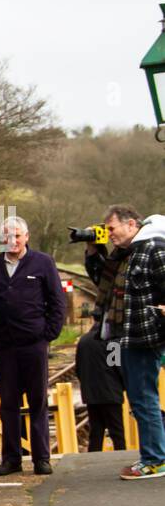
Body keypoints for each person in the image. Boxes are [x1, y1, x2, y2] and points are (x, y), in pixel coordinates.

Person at [0, 215, 66, 476]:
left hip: (34, 344)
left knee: (38, 401)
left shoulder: (43, 263)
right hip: (5, 347)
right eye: (6, 236)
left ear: (26, 237)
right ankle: (11, 459)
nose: (11, 241)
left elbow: (57, 302)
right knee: (9, 403)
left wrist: (48, 334)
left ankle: (41, 459)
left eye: (16, 236)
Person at [87, 205, 165, 479]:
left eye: (111, 228)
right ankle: (155, 454)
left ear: (131, 224)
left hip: (145, 336)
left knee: (144, 399)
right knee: (139, 399)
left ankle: (155, 459)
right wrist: (92, 251)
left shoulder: (153, 247)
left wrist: (158, 316)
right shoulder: (128, 253)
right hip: (128, 336)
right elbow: (103, 282)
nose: (108, 234)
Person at [75, 324, 125, 451]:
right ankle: (121, 458)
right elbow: (117, 367)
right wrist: (123, 386)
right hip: (111, 392)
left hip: (91, 394)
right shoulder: (112, 340)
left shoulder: (84, 340)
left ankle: (93, 460)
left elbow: (78, 369)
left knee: (95, 433)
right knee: (117, 432)